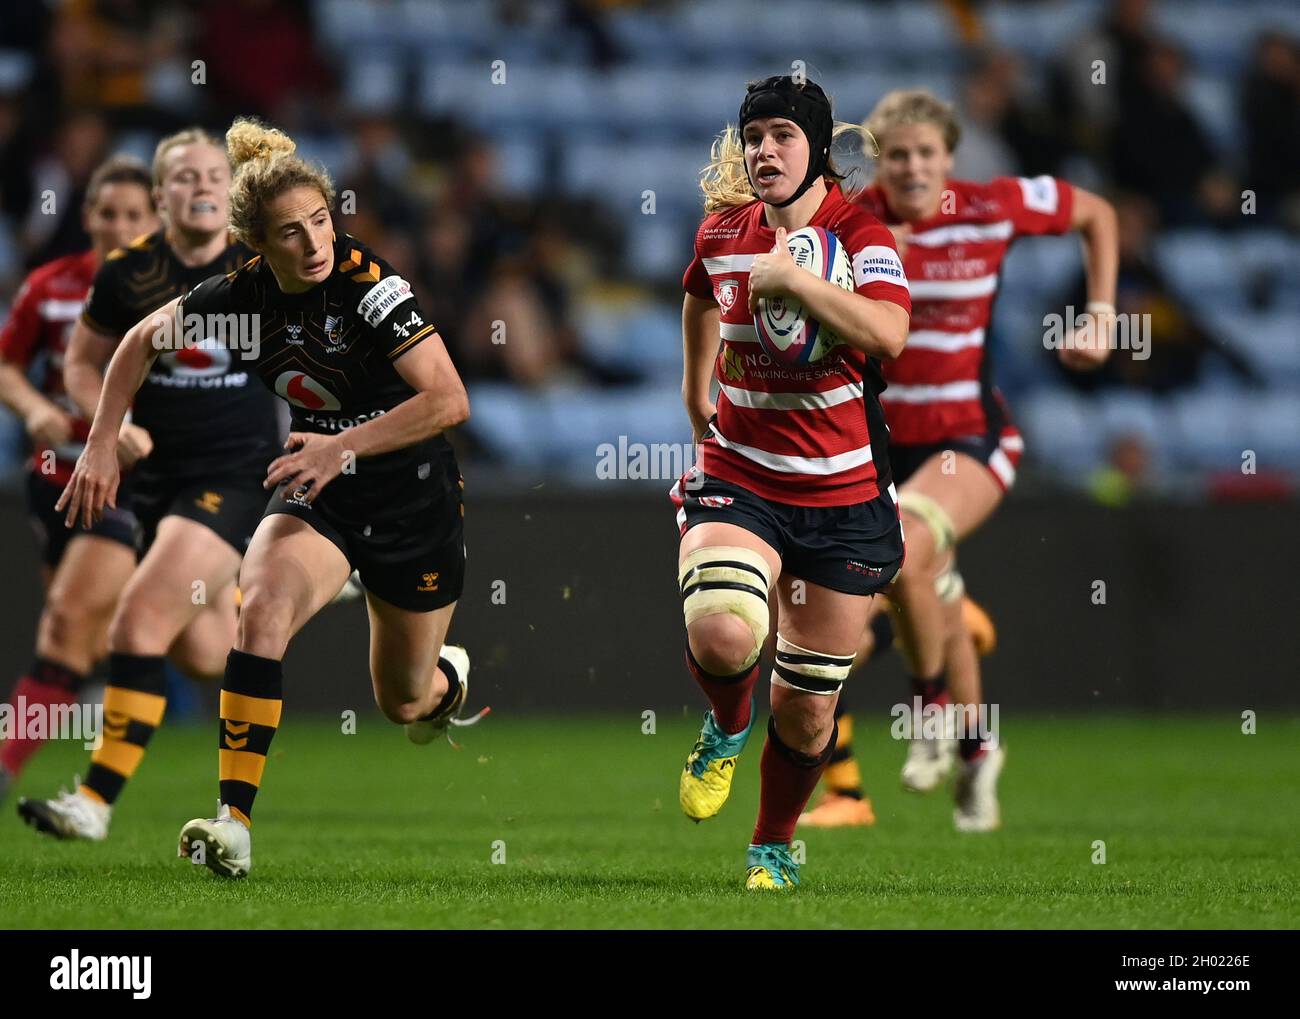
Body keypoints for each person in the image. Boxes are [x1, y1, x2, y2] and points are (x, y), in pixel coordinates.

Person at [56, 118, 477, 879]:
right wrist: (99, 440)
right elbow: (137, 342)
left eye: (321, 221)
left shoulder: (371, 289)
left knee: (405, 702)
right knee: (261, 610)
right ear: (256, 243)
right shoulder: (236, 298)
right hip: (318, 492)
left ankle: (449, 678)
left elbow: (449, 401)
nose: (315, 243)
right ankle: (235, 821)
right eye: (292, 232)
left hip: (414, 502)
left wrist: (341, 444)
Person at [806, 90, 1115, 832]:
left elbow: (1097, 214)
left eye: (927, 153)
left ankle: (931, 715)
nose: (914, 167)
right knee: (930, 587)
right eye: (899, 154)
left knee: (909, 552)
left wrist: (1102, 314)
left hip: (968, 438)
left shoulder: (992, 204)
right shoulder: (852, 223)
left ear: (950, 156)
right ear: (881, 159)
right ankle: (978, 750)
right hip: (881, 444)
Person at [673, 76, 910, 890]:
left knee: (809, 709)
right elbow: (700, 295)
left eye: (781, 134)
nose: (763, 150)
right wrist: (692, 383)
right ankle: (726, 723)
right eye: (754, 136)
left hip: (842, 498)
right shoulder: (723, 234)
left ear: (816, 149)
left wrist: (801, 284)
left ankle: (771, 842)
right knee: (724, 633)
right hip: (740, 475)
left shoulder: (862, 233)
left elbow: (891, 333)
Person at [16, 128, 280, 840]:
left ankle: (94, 802)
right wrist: (106, 429)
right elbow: (79, 365)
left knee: (135, 617)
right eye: (183, 175)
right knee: (203, 650)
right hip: (156, 479)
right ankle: (274, 579)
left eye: (213, 174)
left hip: (234, 469)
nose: (200, 184)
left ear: (231, 191)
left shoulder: (264, 261)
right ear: (160, 196)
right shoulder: (129, 272)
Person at [0, 155, 158, 801]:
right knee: (85, 642)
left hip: (131, 480)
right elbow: (8, 364)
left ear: (155, 222)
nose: (118, 227)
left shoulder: (177, 296)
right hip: (54, 476)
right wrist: (35, 408)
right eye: (108, 213)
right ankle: (242, 592)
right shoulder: (51, 286)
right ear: (88, 215)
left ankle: (7, 768)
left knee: (66, 624)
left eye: (133, 215)